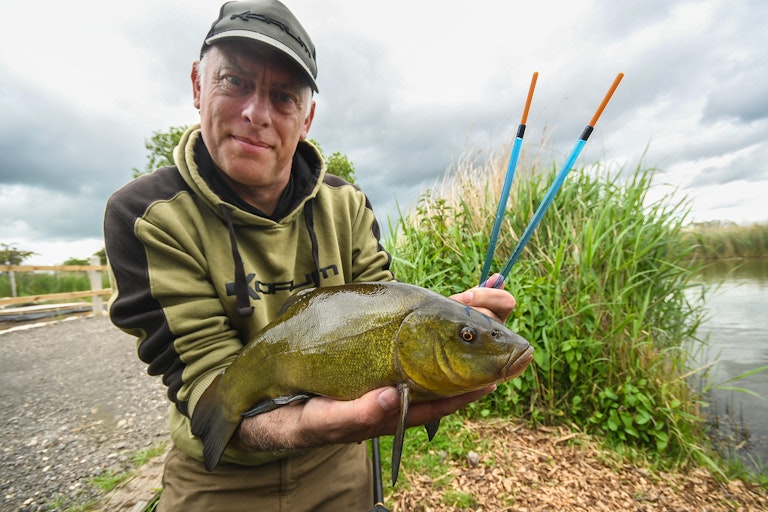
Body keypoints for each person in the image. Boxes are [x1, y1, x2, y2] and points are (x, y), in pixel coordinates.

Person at [104, 1, 517, 510]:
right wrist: (296, 423)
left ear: (307, 118)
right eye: (234, 81)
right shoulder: (145, 215)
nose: (257, 114)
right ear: (196, 84)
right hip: (222, 468)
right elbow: (203, 376)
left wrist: (446, 335)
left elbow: (386, 301)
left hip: (338, 460)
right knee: (219, 417)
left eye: (283, 96)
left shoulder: (347, 204)